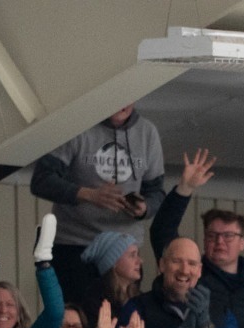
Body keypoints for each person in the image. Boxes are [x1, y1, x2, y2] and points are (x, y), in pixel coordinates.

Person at [30, 105, 166, 313]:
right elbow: (41, 180)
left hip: (123, 249)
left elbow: (156, 191)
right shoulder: (77, 127)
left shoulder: (147, 132)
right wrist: (89, 195)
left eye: (128, 99)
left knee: (123, 320)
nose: (123, 105)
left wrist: (144, 208)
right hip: (74, 244)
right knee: (77, 321)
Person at [150, 150, 244, 328]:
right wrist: (185, 189)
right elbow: (162, 233)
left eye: (228, 236)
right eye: (213, 235)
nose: (220, 242)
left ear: (242, 243)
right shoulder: (190, 278)